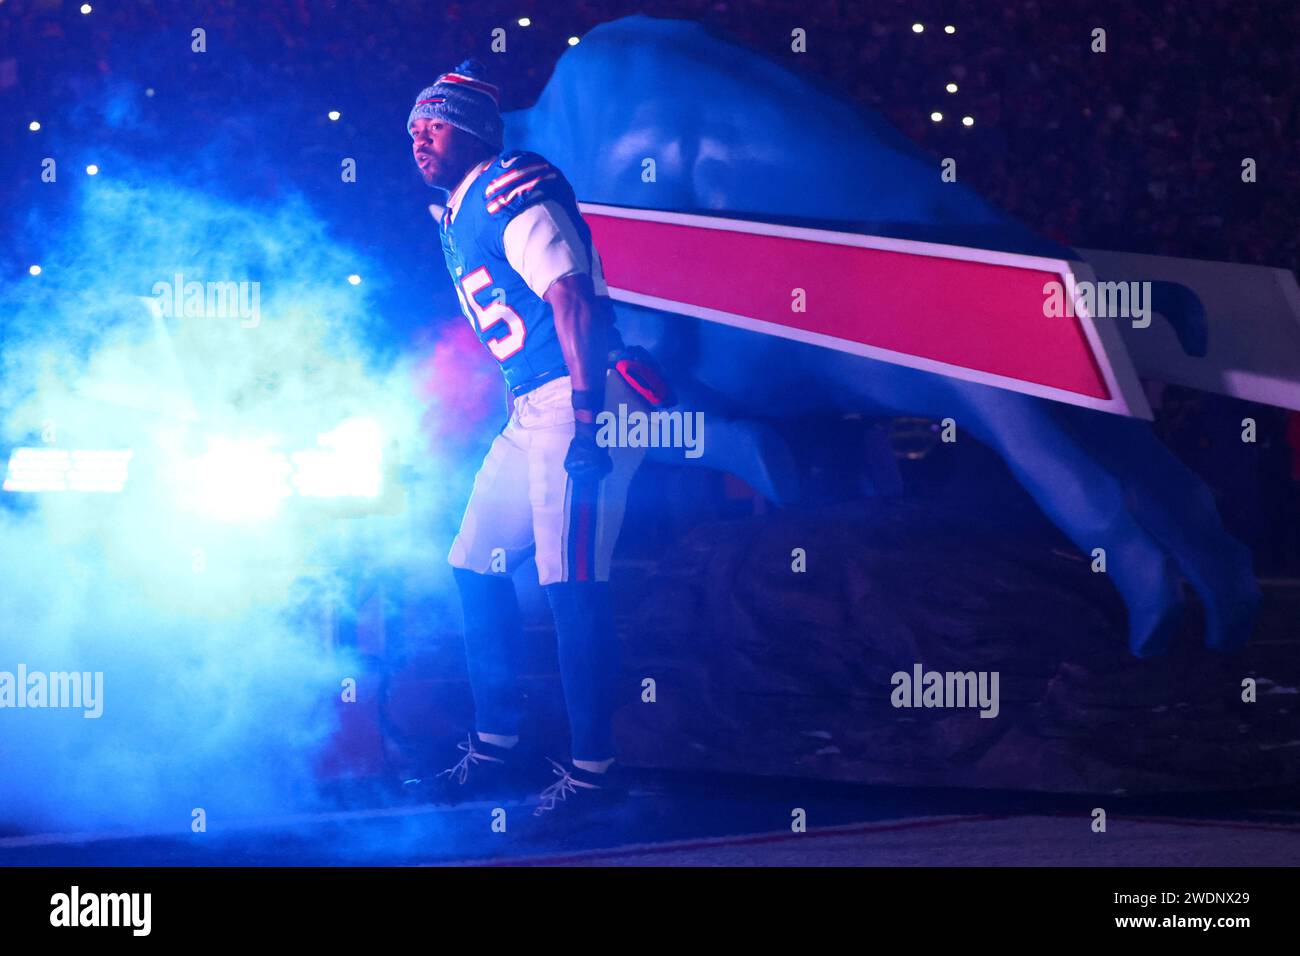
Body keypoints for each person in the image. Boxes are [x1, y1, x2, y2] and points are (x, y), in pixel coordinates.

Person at [406, 59, 666, 819]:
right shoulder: (457, 210)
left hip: (584, 398)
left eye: (437, 120)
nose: (421, 135)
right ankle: (499, 743)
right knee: (474, 563)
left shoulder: (507, 184)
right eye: (415, 123)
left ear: (476, 129)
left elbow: (570, 300)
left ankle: (595, 772)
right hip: (533, 406)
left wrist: (588, 418)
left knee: (571, 581)